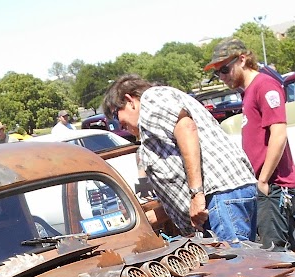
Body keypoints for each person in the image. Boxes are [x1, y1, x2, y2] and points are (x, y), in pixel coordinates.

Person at [101, 74, 258, 242]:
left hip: (218, 198)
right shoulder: (154, 118)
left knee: (234, 258)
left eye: (116, 114)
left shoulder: (151, 100)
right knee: (243, 255)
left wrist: (196, 194)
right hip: (224, 196)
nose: (119, 124)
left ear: (130, 100)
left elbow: (186, 128)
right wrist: (142, 220)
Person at [206, 38, 295, 252]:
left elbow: (279, 133)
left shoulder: (264, 85)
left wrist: (264, 179)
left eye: (224, 69)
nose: (222, 77)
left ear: (242, 59)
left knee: (277, 254)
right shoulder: (248, 91)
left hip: (275, 184)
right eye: (217, 73)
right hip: (267, 184)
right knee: (280, 253)